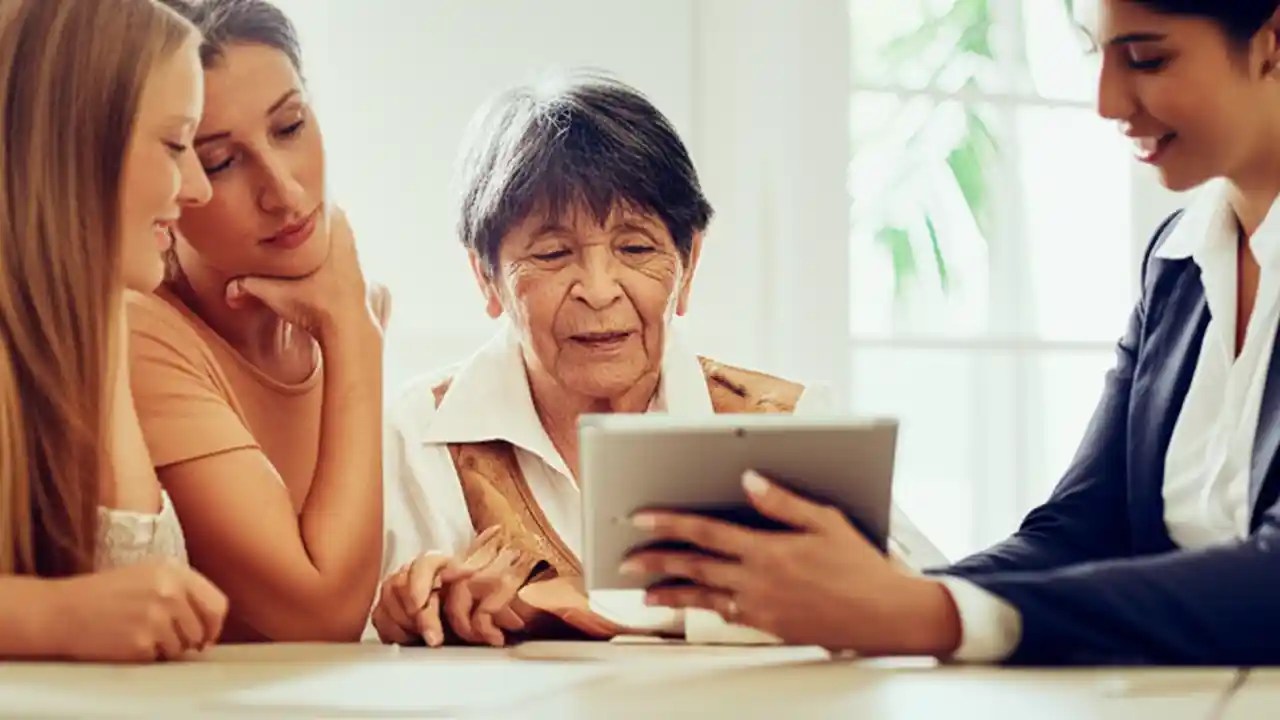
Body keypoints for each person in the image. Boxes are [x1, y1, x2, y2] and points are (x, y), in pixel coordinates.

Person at [624, 0, 1280, 666]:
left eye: (1145, 58)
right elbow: (1082, 527)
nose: (1107, 102)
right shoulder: (1176, 261)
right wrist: (869, 599)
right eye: (1095, 55)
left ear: (1272, 42)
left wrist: (927, 613)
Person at [371, 72, 834, 648]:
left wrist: (614, 607)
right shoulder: (413, 437)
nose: (598, 288)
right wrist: (405, 618)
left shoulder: (792, 427)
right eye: (553, 252)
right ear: (485, 277)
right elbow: (353, 646)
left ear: (688, 266)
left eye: (635, 248)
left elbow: (906, 605)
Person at [130, 0, 387, 642]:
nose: (285, 192)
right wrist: (356, 336)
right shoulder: (140, 333)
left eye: (290, 125)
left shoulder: (341, 305)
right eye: (220, 162)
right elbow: (322, 617)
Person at [0, 0, 227, 662]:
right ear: (75, 142)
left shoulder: (86, 330)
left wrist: (95, 281)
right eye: (176, 144)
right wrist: (47, 618)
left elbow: (121, 557)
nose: (198, 190)